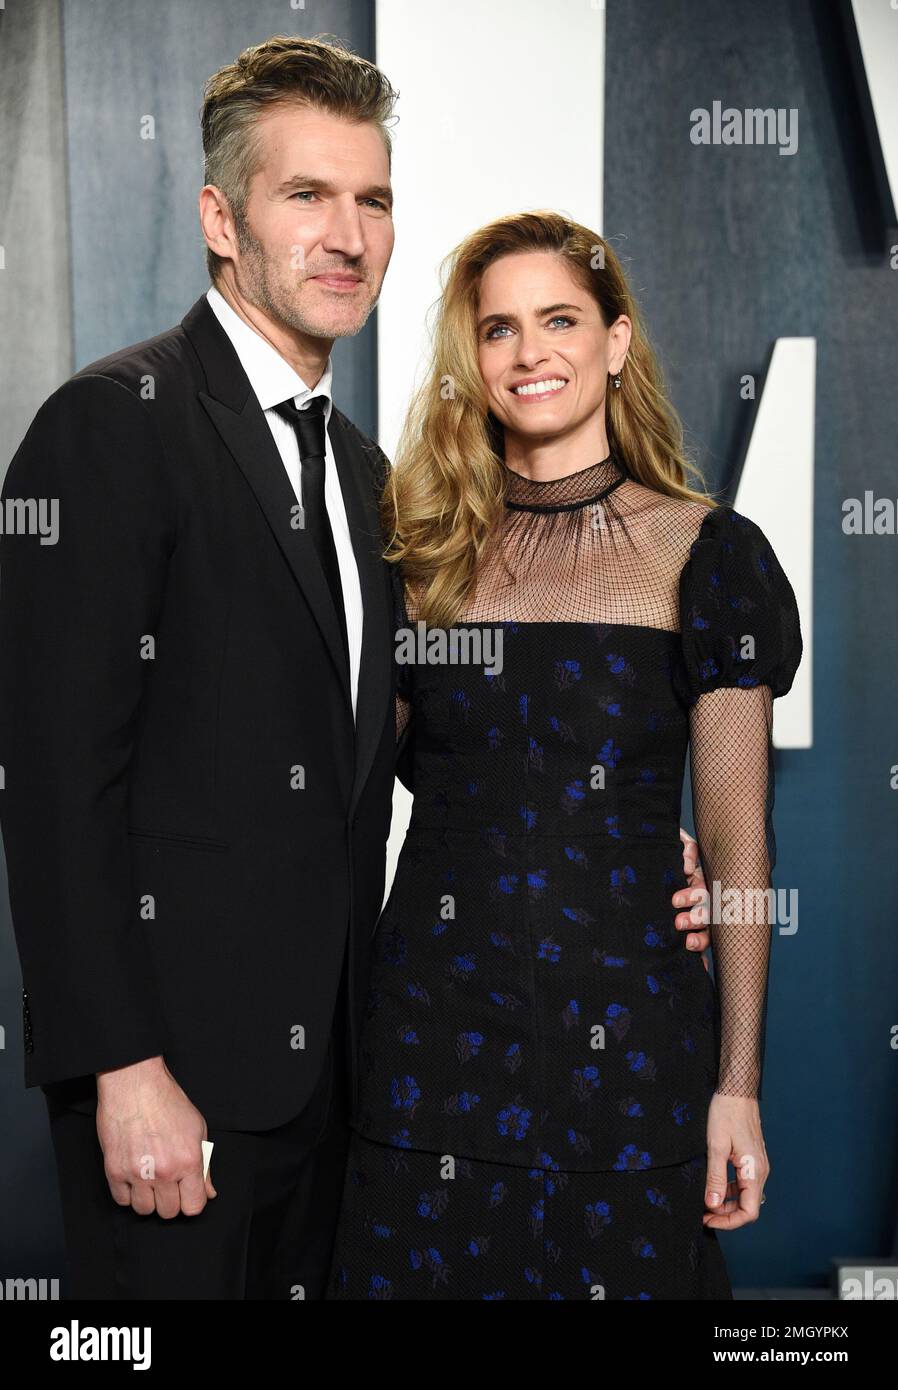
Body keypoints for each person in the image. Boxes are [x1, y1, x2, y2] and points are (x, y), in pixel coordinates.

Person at [0, 38, 711, 1300]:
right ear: (221, 219)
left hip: (348, 1079)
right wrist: (120, 1070)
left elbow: (412, 739)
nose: (349, 235)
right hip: (176, 1093)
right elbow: (56, 786)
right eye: (306, 196)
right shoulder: (112, 426)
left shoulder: (370, 479)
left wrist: (629, 842)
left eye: (372, 199)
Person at [327, 211, 802, 1300]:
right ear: (472, 359)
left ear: (616, 342)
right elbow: (345, 788)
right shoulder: (419, 553)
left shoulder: (707, 554)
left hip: (629, 1052)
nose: (528, 352)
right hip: (431, 1044)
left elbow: (736, 843)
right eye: (498, 329)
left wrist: (737, 1086)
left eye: (558, 319)